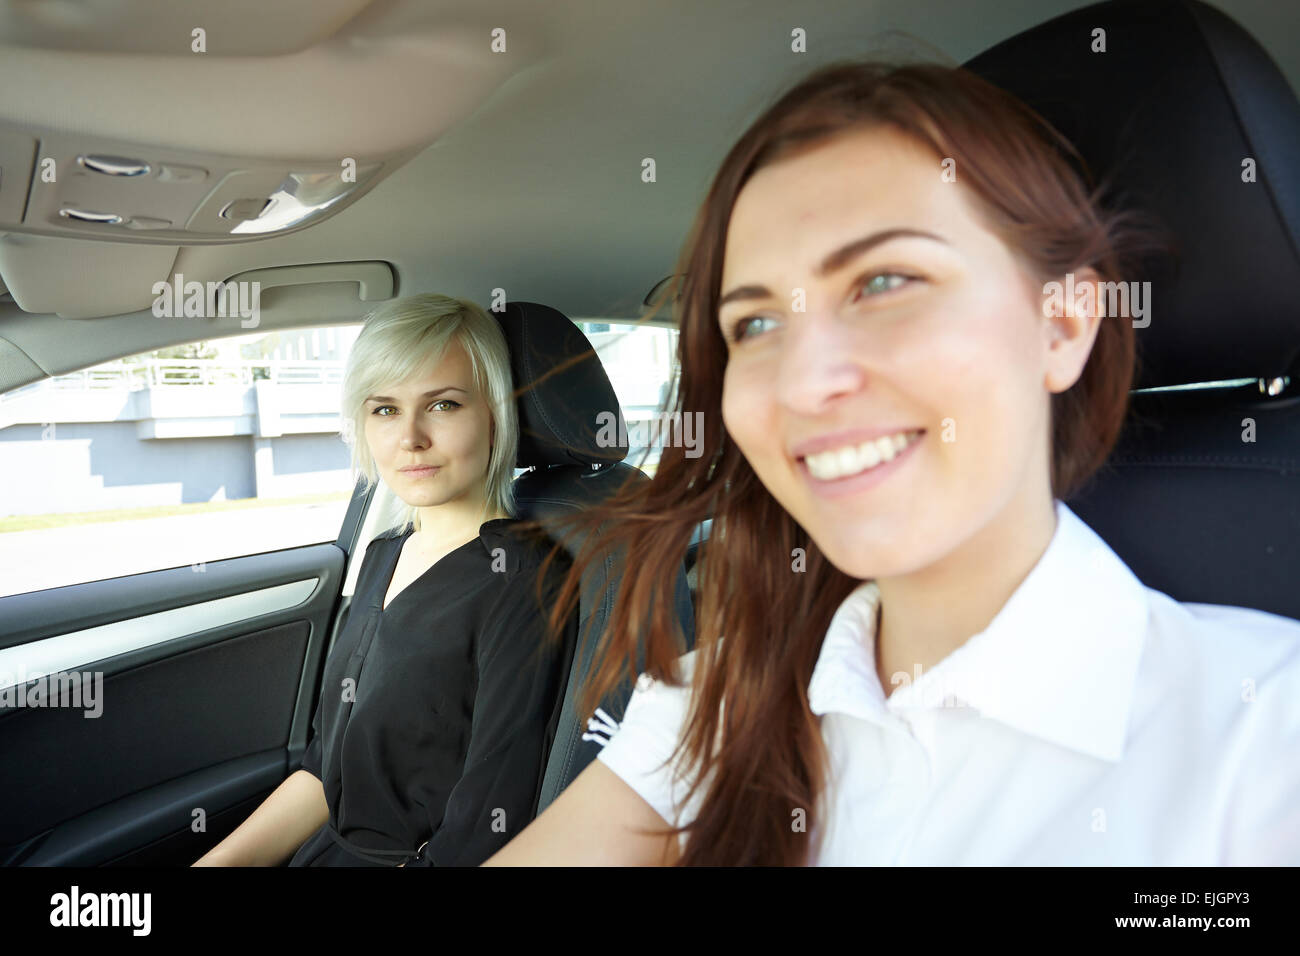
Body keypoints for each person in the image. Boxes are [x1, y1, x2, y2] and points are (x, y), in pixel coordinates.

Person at [483, 61, 1300, 866]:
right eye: (756, 326)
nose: (806, 383)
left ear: (1062, 324)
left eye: (885, 282)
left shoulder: (1265, 734)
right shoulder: (714, 699)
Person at [193, 293, 575, 866]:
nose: (410, 438)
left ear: (494, 412)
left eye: (443, 405)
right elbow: (329, 769)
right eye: (385, 409)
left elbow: (484, 829)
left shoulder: (522, 583)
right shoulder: (383, 554)